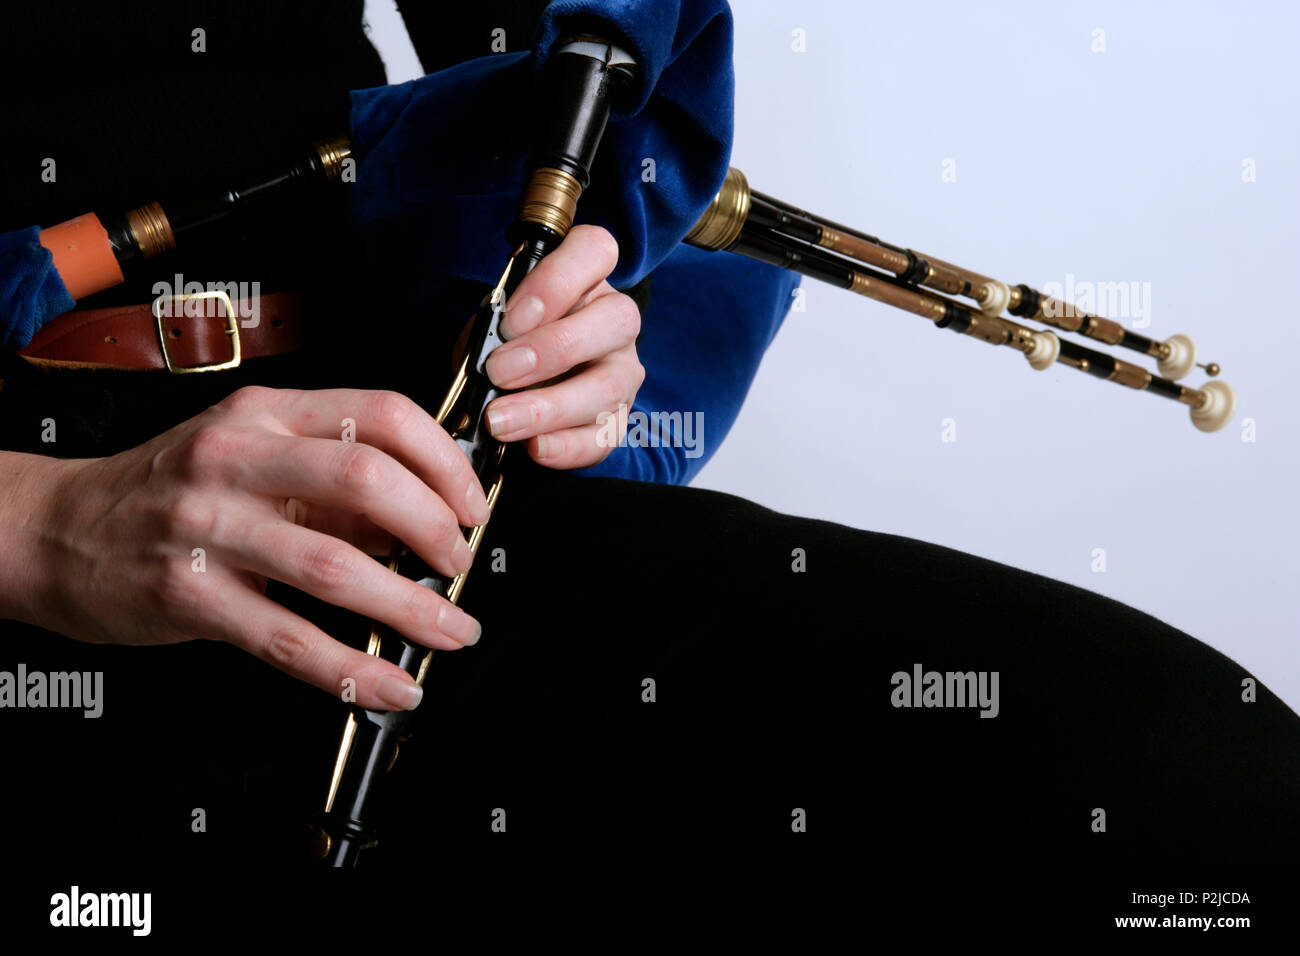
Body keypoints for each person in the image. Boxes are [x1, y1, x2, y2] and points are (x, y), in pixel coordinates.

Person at [1, 0, 1297, 897]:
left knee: (1197, 799)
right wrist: (45, 527)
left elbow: (546, 118)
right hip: (49, 565)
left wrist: (585, 312)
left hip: (402, 491)